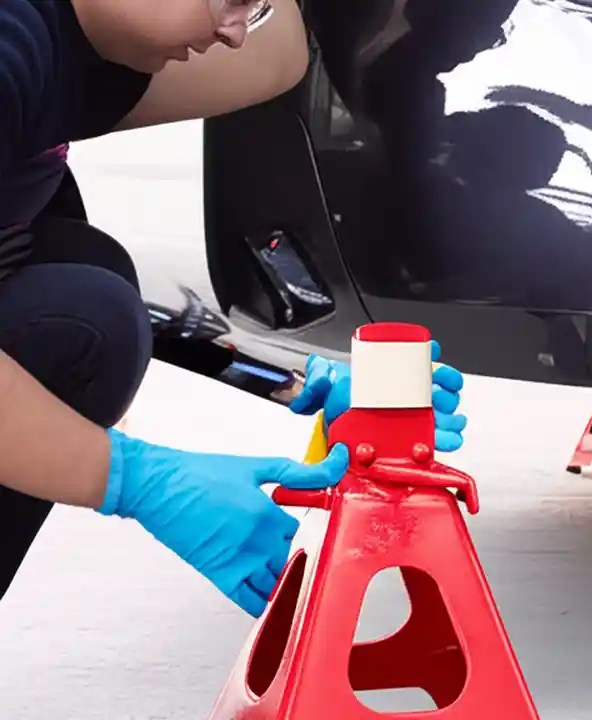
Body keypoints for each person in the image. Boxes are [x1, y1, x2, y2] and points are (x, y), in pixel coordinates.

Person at [0, 0, 468, 617]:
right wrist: (131, 478)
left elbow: (276, 58)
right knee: (89, 320)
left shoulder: (71, 60)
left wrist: (287, 376)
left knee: (85, 282)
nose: (235, 28)